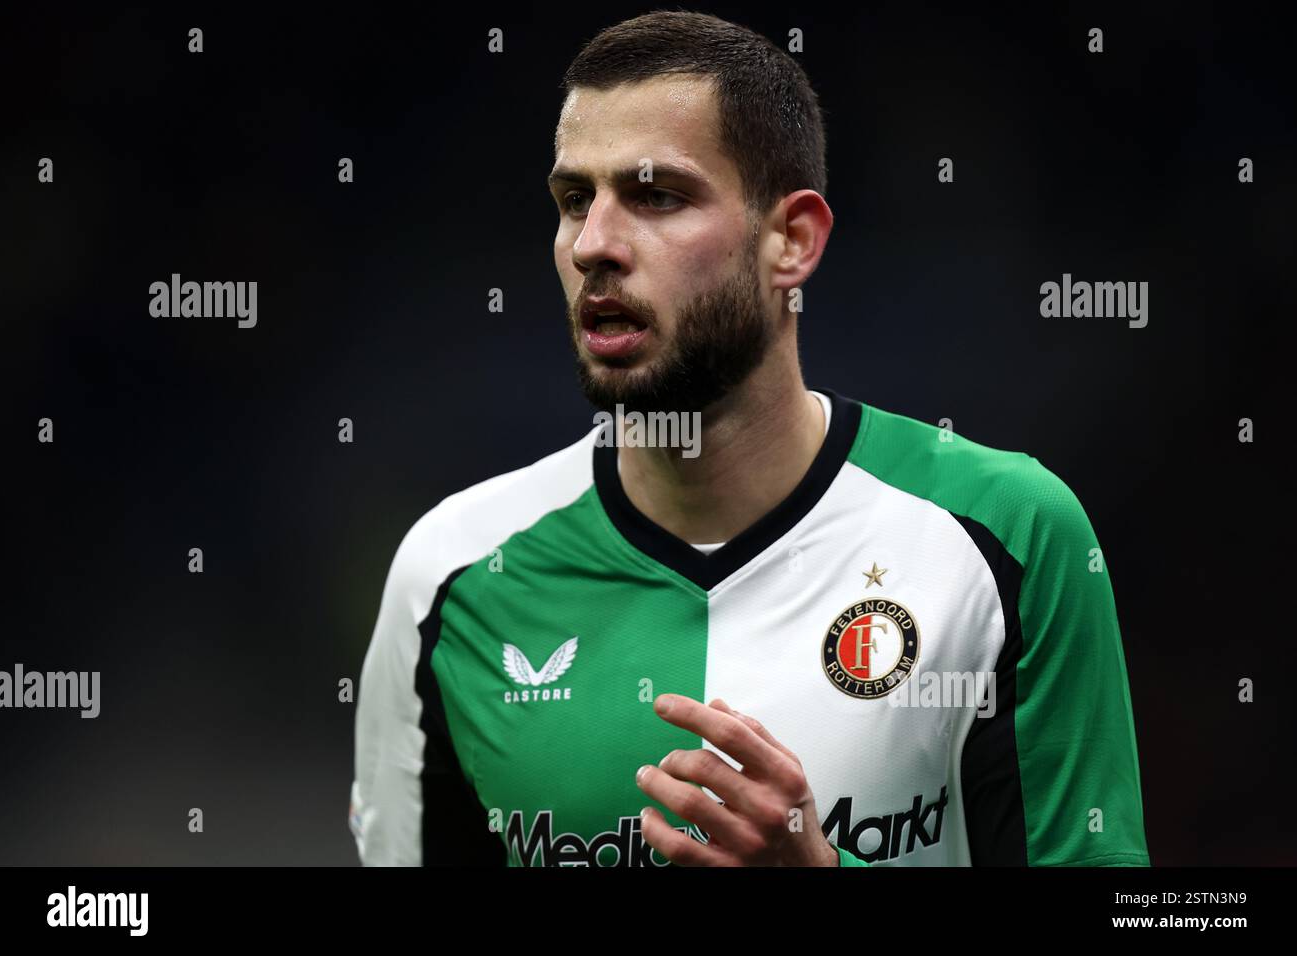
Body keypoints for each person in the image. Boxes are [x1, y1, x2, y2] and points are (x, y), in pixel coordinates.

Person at [349, 10, 1149, 867]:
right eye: (575, 200)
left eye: (656, 196)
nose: (593, 246)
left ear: (792, 241)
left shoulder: (1008, 536)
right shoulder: (452, 573)